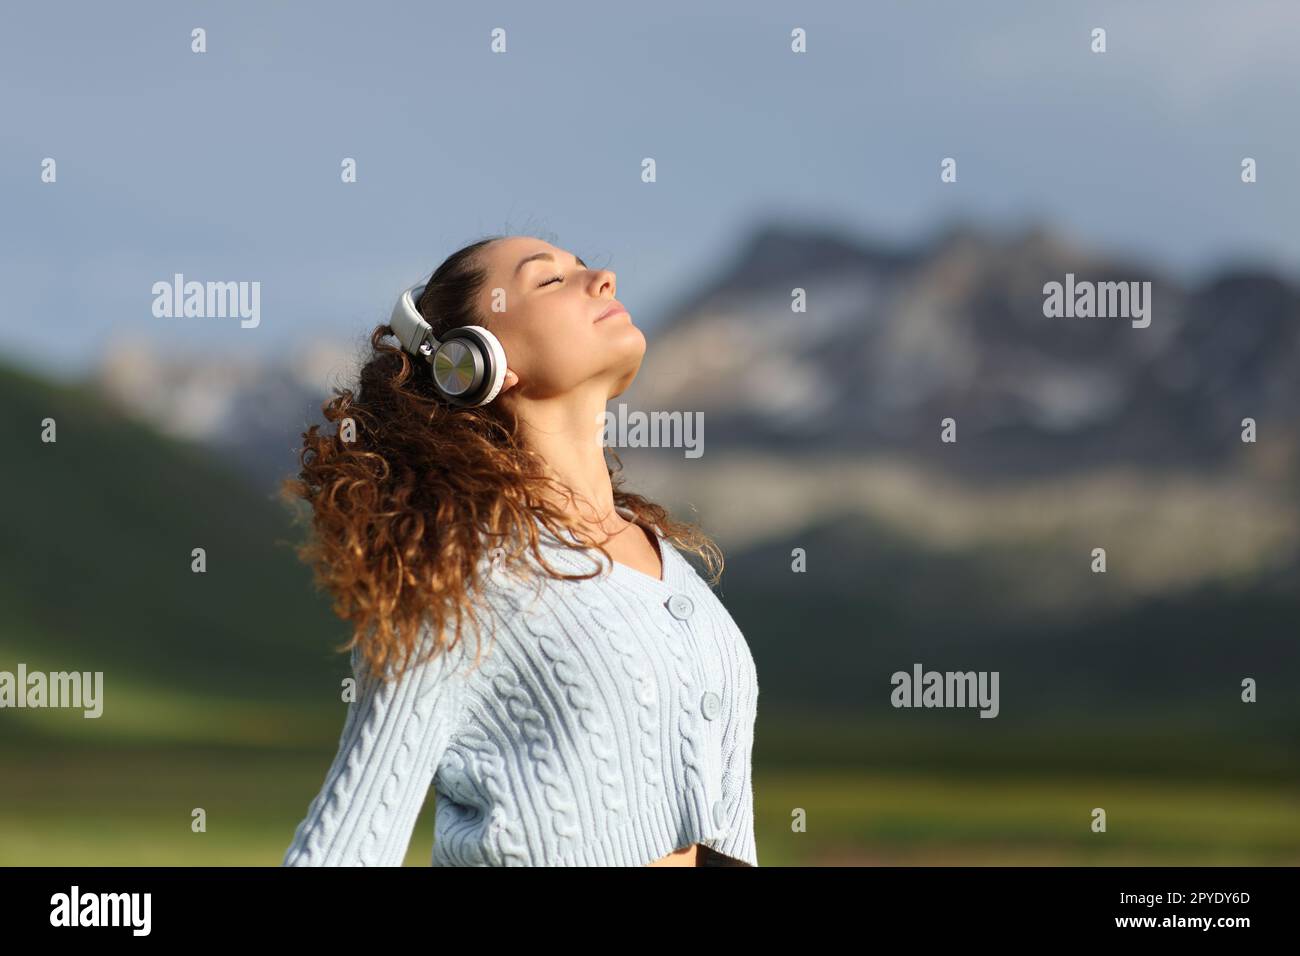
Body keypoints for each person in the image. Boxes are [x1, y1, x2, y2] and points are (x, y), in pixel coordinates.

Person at [279, 235, 758, 866]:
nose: (605, 278)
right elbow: (344, 847)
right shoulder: (460, 579)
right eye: (551, 281)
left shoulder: (669, 564)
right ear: (473, 360)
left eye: (586, 268)